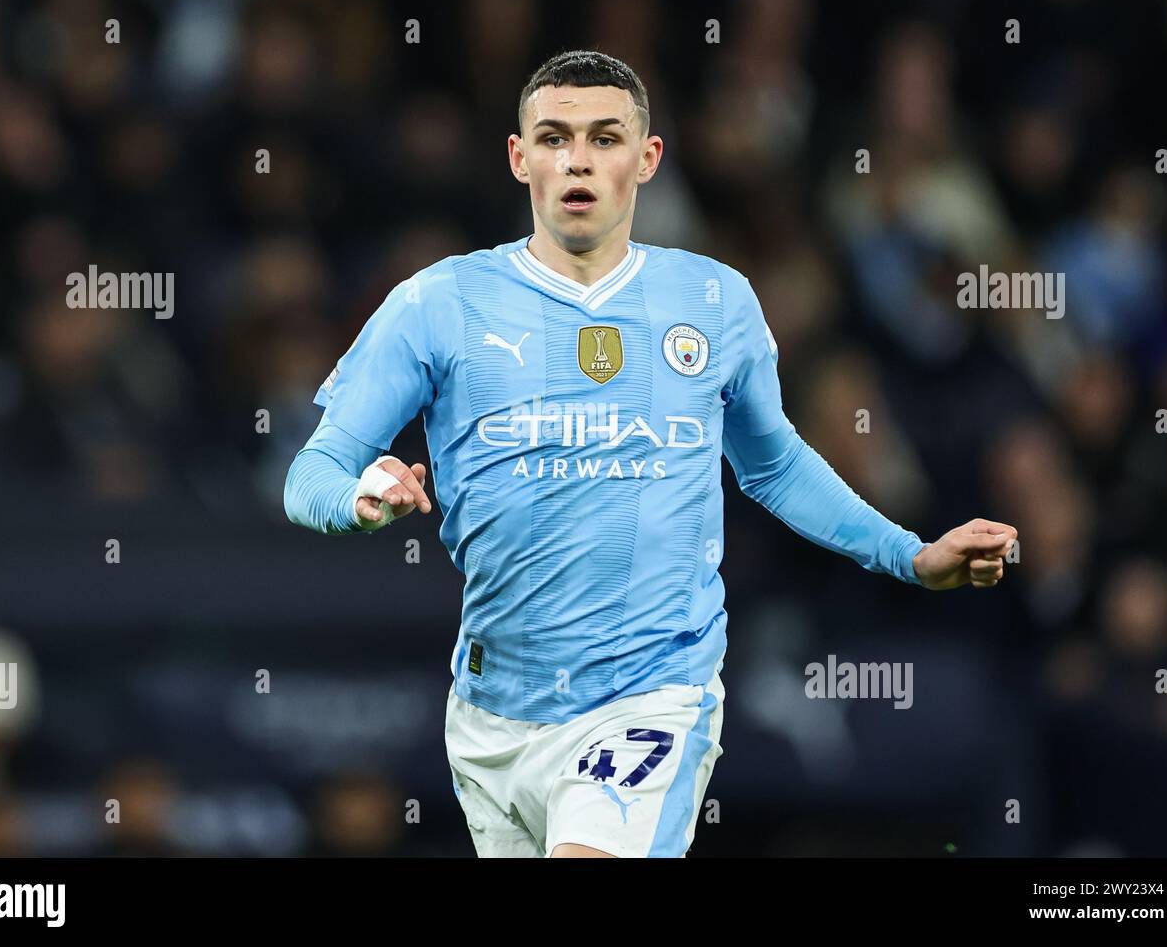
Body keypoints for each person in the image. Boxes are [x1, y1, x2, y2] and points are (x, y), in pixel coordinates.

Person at [284, 50, 1017, 858]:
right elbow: (311, 472)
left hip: (648, 693)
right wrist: (358, 499)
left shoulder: (714, 300)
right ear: (519, 157)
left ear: (647, 158)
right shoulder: (438, 303)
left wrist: (908, 556)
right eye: (555, 137)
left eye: (604, 137)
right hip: (494, 714)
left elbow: (772, 465)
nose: (579, 160)